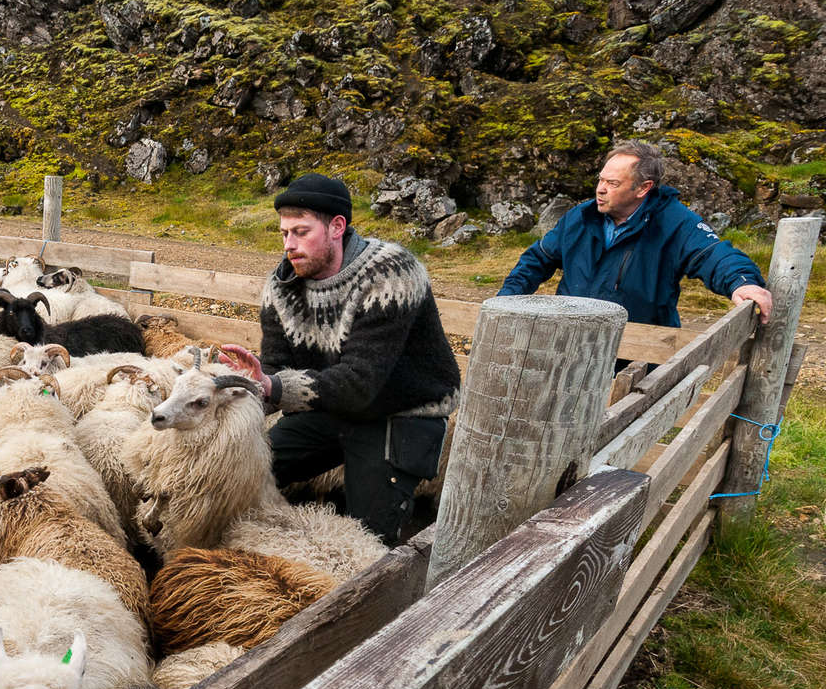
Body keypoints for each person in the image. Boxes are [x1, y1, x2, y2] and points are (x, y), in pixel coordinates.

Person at [221, 174, 461, 546]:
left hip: (401, 413)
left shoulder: (390, 274)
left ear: (337, 227)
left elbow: (360, 383)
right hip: (334, 406)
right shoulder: (282, 287)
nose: (289, 245)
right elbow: (277, 367)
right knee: (244, 470)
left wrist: (276, 386)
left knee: (367, 539)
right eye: (284, 233)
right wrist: (252, 386)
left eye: (301, 232)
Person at [498, 140, 772, 328]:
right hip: (570, 342)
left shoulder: (675, 223)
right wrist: (504, 302)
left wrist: (742, 282)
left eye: (612, 183)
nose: (600, 189)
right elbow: (536, 260)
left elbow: (714, 255)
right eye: (601, 180)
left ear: (643, 188)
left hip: (636, 354)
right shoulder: (580, 217)